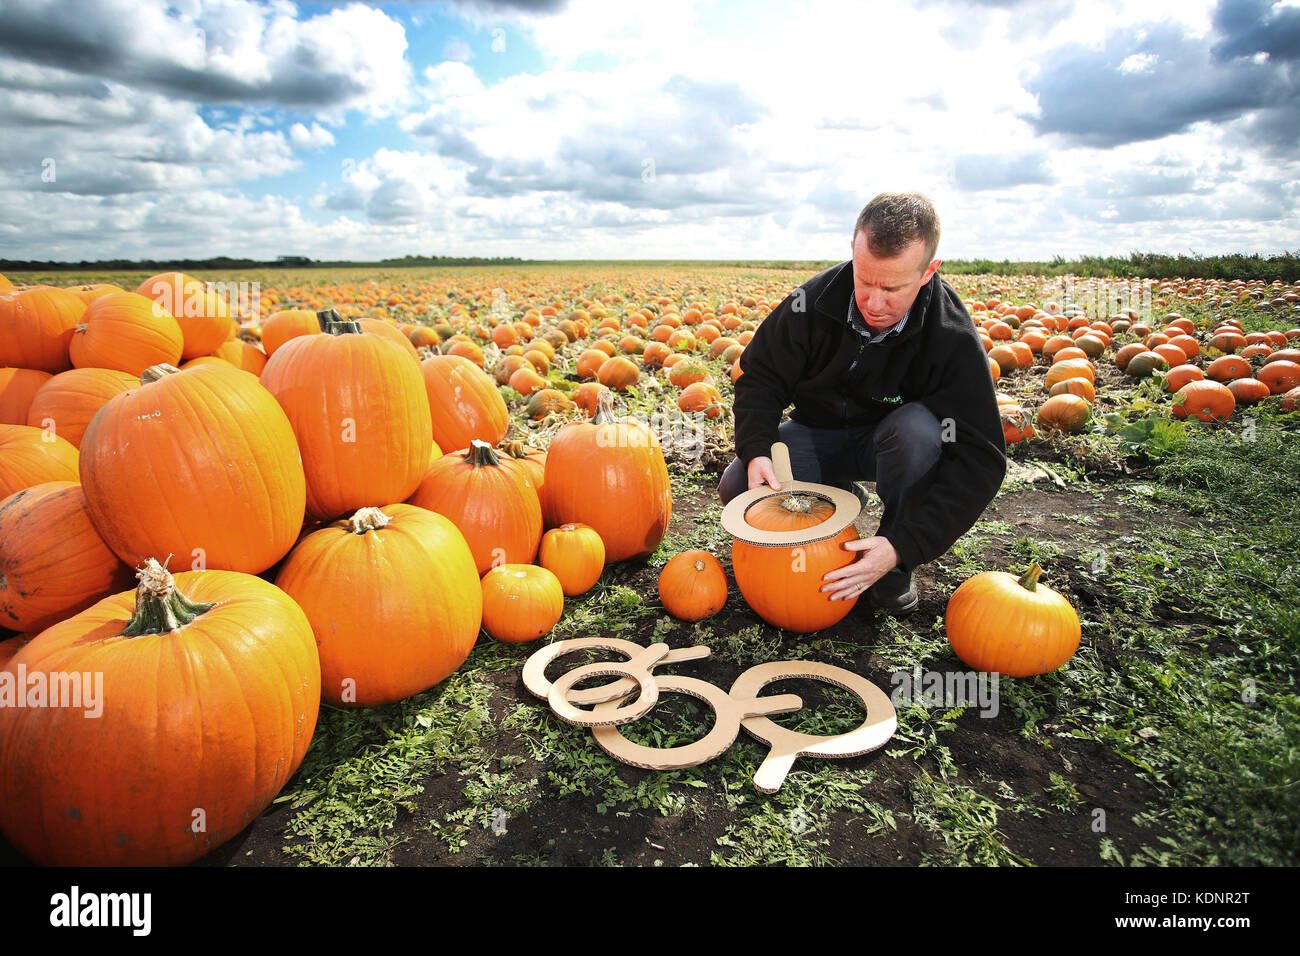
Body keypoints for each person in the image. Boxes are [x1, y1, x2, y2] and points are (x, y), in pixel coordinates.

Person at [719, 192, 1006, 615]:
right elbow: (761, 376)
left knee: (918, 432)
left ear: (929, 271)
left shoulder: (951, 339)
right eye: (865, 279)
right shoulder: (811, 303)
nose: (874, 302)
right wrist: (757, 448)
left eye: (892, 287)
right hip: (819, 433)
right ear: (853, 250)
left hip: (893, 443)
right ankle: (833, 498)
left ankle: (889, 564)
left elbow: (981, 458)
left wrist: (906, 544)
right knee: (738, 483)